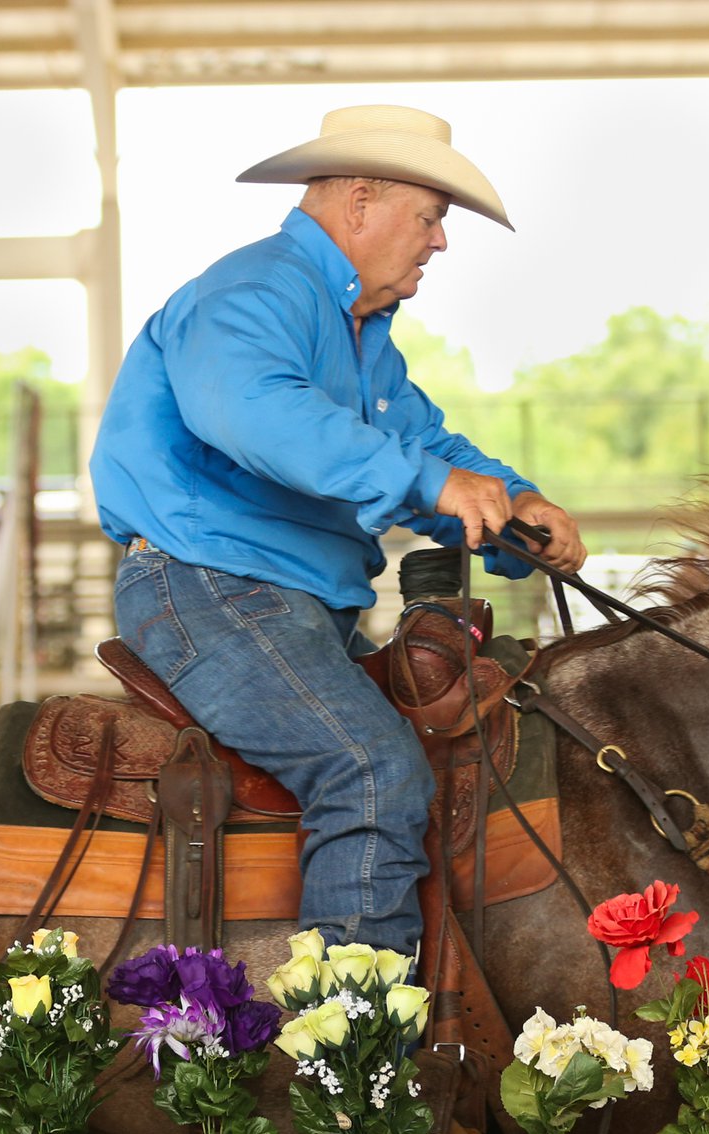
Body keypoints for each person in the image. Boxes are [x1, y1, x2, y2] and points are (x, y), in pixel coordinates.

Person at [90, 105, 585, 958]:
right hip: (213, 585)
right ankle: (355, 1062)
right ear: (360, 200)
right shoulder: (253, 290)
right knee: (370, 773)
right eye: (430, 217)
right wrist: (435, 482)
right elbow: (256, 415)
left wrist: (514, 506)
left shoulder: (362, 342)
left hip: (274, 599)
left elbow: (422, 446)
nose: (439, 243)